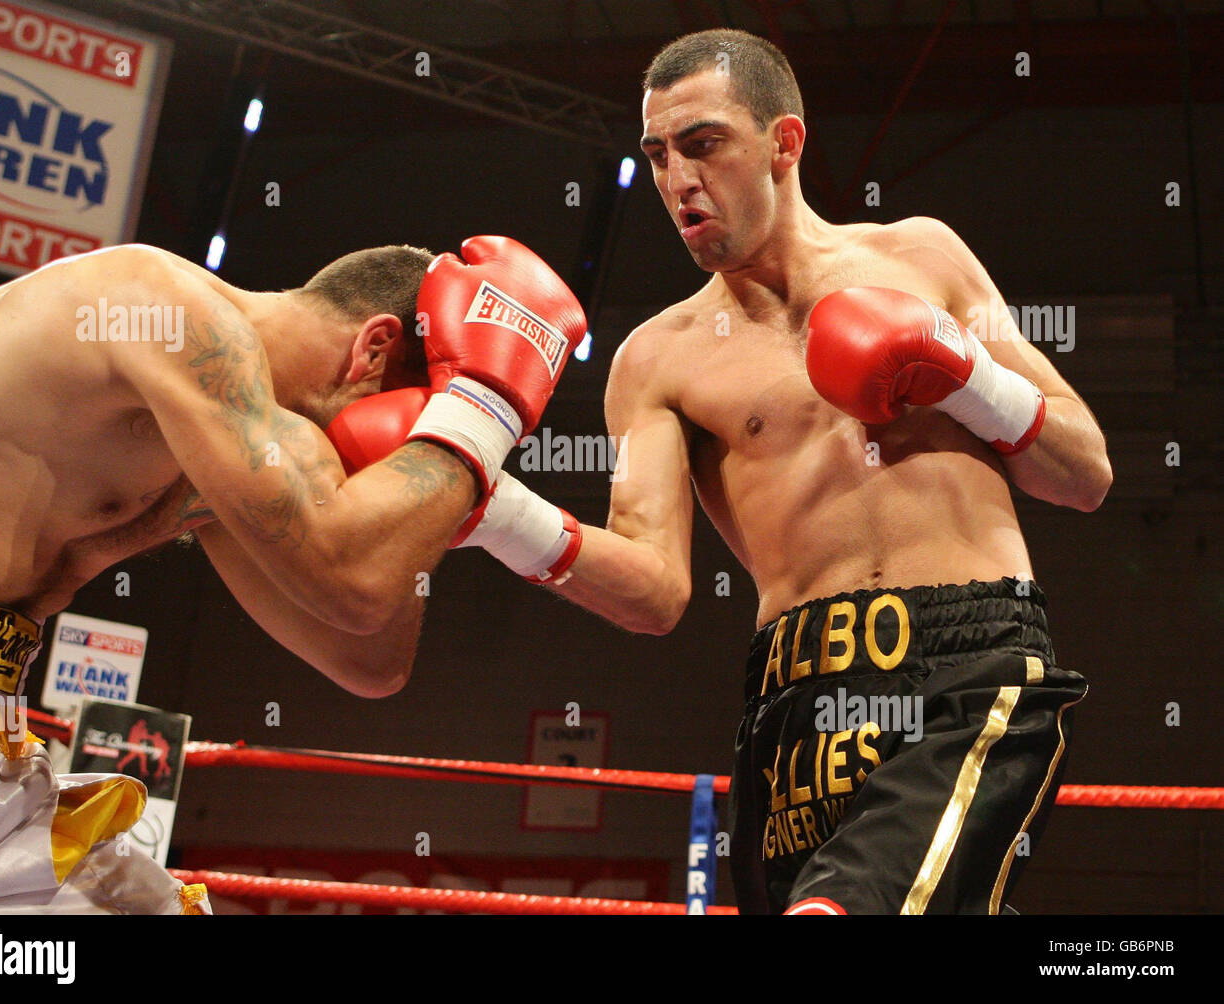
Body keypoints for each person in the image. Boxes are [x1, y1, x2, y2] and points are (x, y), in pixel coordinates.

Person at [448, 29, 1112, 914]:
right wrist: (491, 504)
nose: (677, 179)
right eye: (656, 155)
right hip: (795, 698)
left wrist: (973, 379)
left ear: (783, 143)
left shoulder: (925, 259)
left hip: (966, 665)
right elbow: (653, 591)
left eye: (703, 144)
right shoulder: (656, 360)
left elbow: (1085, 471)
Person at [0, 235, 585, 913]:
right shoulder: (166, 308)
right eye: (414, 423)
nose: (397, 461)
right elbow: (352, 581)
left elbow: (371, 657)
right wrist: (479, 411)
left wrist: (440, 500)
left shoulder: (238, 451)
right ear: (374, 351)